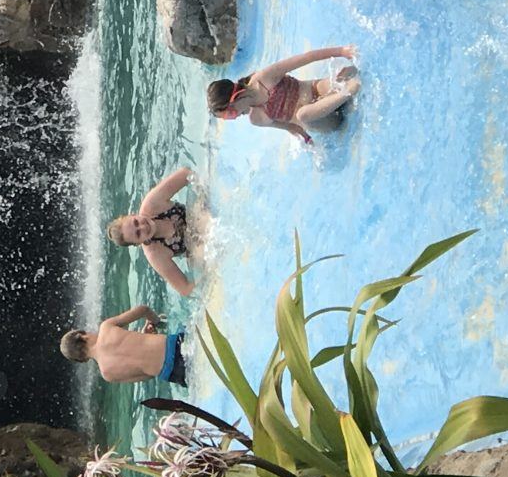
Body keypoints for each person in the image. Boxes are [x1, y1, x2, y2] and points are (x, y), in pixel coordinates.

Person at [207, 45, 360, 144]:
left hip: (317, 91)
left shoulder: (264, 78)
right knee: (302, 115)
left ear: (234, 97)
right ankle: (348, 91)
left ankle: (350, 85)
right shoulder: (256, 118)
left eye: (230, 114)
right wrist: (308, 141)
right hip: (322, 120)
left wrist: (342, 52)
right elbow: (292, 127)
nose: (234, 117)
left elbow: (307, 58)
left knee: (347, 73)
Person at [108, 166, 199, 297]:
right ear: (138, 243)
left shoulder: (152, 203)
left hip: (197, 215)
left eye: (136, 222)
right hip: (195, 247)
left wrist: (202, 189)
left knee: (201, 217)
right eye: (138, 234)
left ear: (133, 214)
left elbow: (185, 174)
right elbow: (185, 289)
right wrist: (208, 275)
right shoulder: (155, 255)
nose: (143, 227)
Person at [59, 306, 187, 386]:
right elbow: (143, 310)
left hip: (172, 372)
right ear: (83, 336)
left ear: (83, 359)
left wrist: (143, 337)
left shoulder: (107, 374)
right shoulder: (106, 328)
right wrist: (157, 322)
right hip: (174, 346)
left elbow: (147, 375)